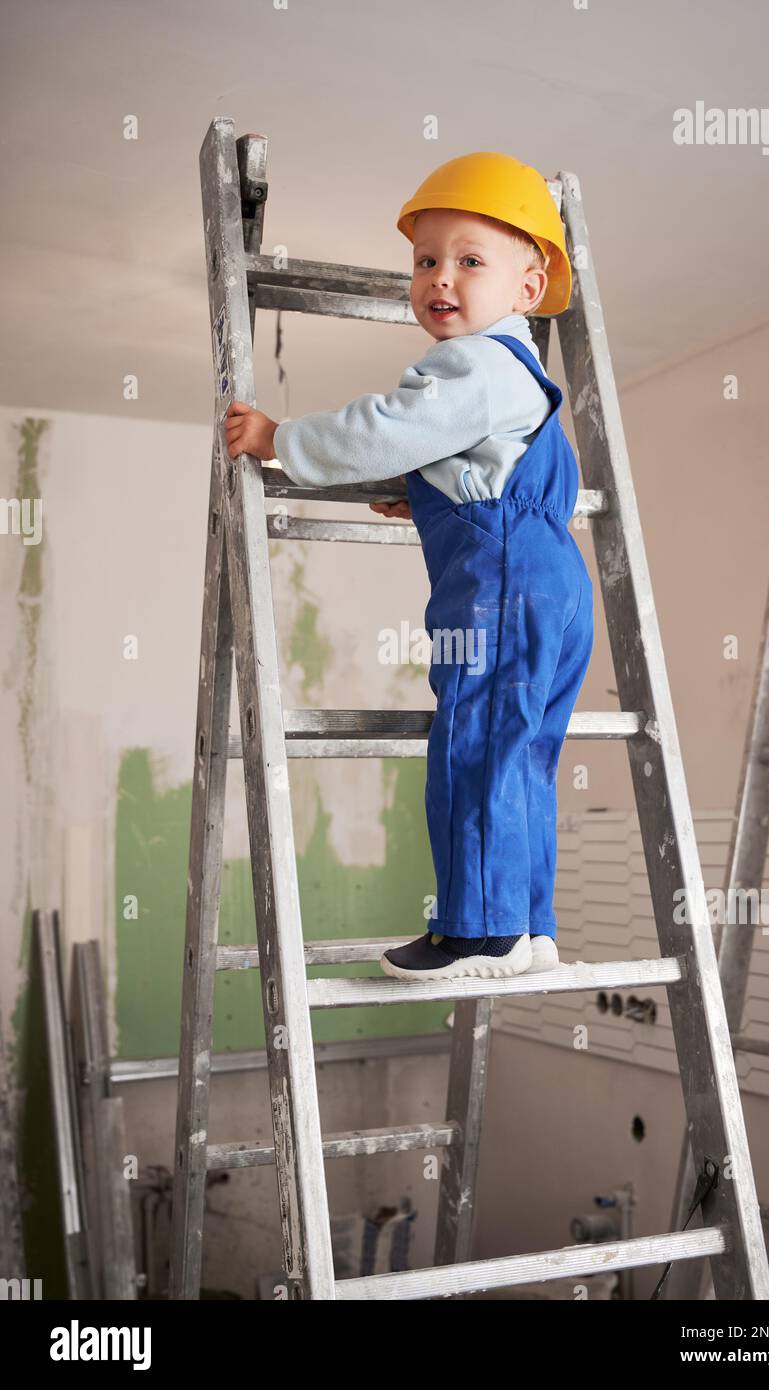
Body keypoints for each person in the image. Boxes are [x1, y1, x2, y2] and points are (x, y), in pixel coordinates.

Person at [224, 151, 594, 981]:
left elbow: (388, 427)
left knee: (473, 745)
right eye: (425, 260)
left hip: (497, 590)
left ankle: (477, 931)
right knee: (521, 751)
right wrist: (427, 499)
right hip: (551, 585)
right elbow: (481, 473)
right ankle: (528, 925)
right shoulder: (522, 378)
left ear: (527, 290)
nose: (440, 279)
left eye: (469, 260)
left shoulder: (472, 363)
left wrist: (283, 442)